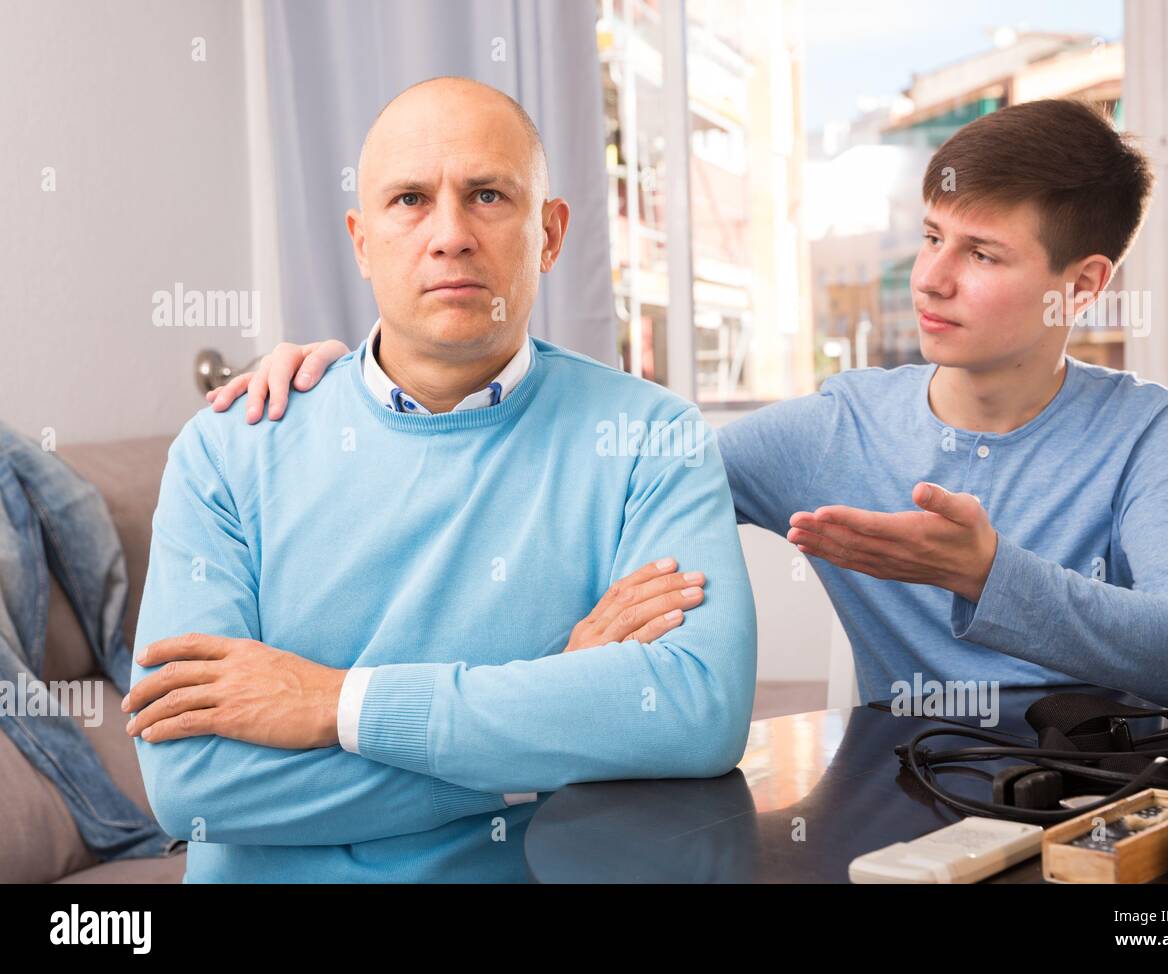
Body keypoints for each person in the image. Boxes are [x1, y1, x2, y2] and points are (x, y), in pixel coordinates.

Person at [214, 97, 1168, 711]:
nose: (930, 279)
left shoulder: (1139, 428)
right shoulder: (836, 429)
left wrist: (991, 575)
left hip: (1105, 810)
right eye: (930, 237)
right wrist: (376, 374)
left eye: (980, 254)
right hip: (909, 801)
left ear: (1083, 284)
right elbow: (605, 458)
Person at [125, 76, 757, 883]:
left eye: (488, 194)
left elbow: (695, 712)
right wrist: (548, 720)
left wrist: (336, 703)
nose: (450, 234)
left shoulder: (651, 438)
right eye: (411, 200)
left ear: (550, 233)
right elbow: (194, 786)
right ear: (361, 239)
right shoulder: (229, 444)